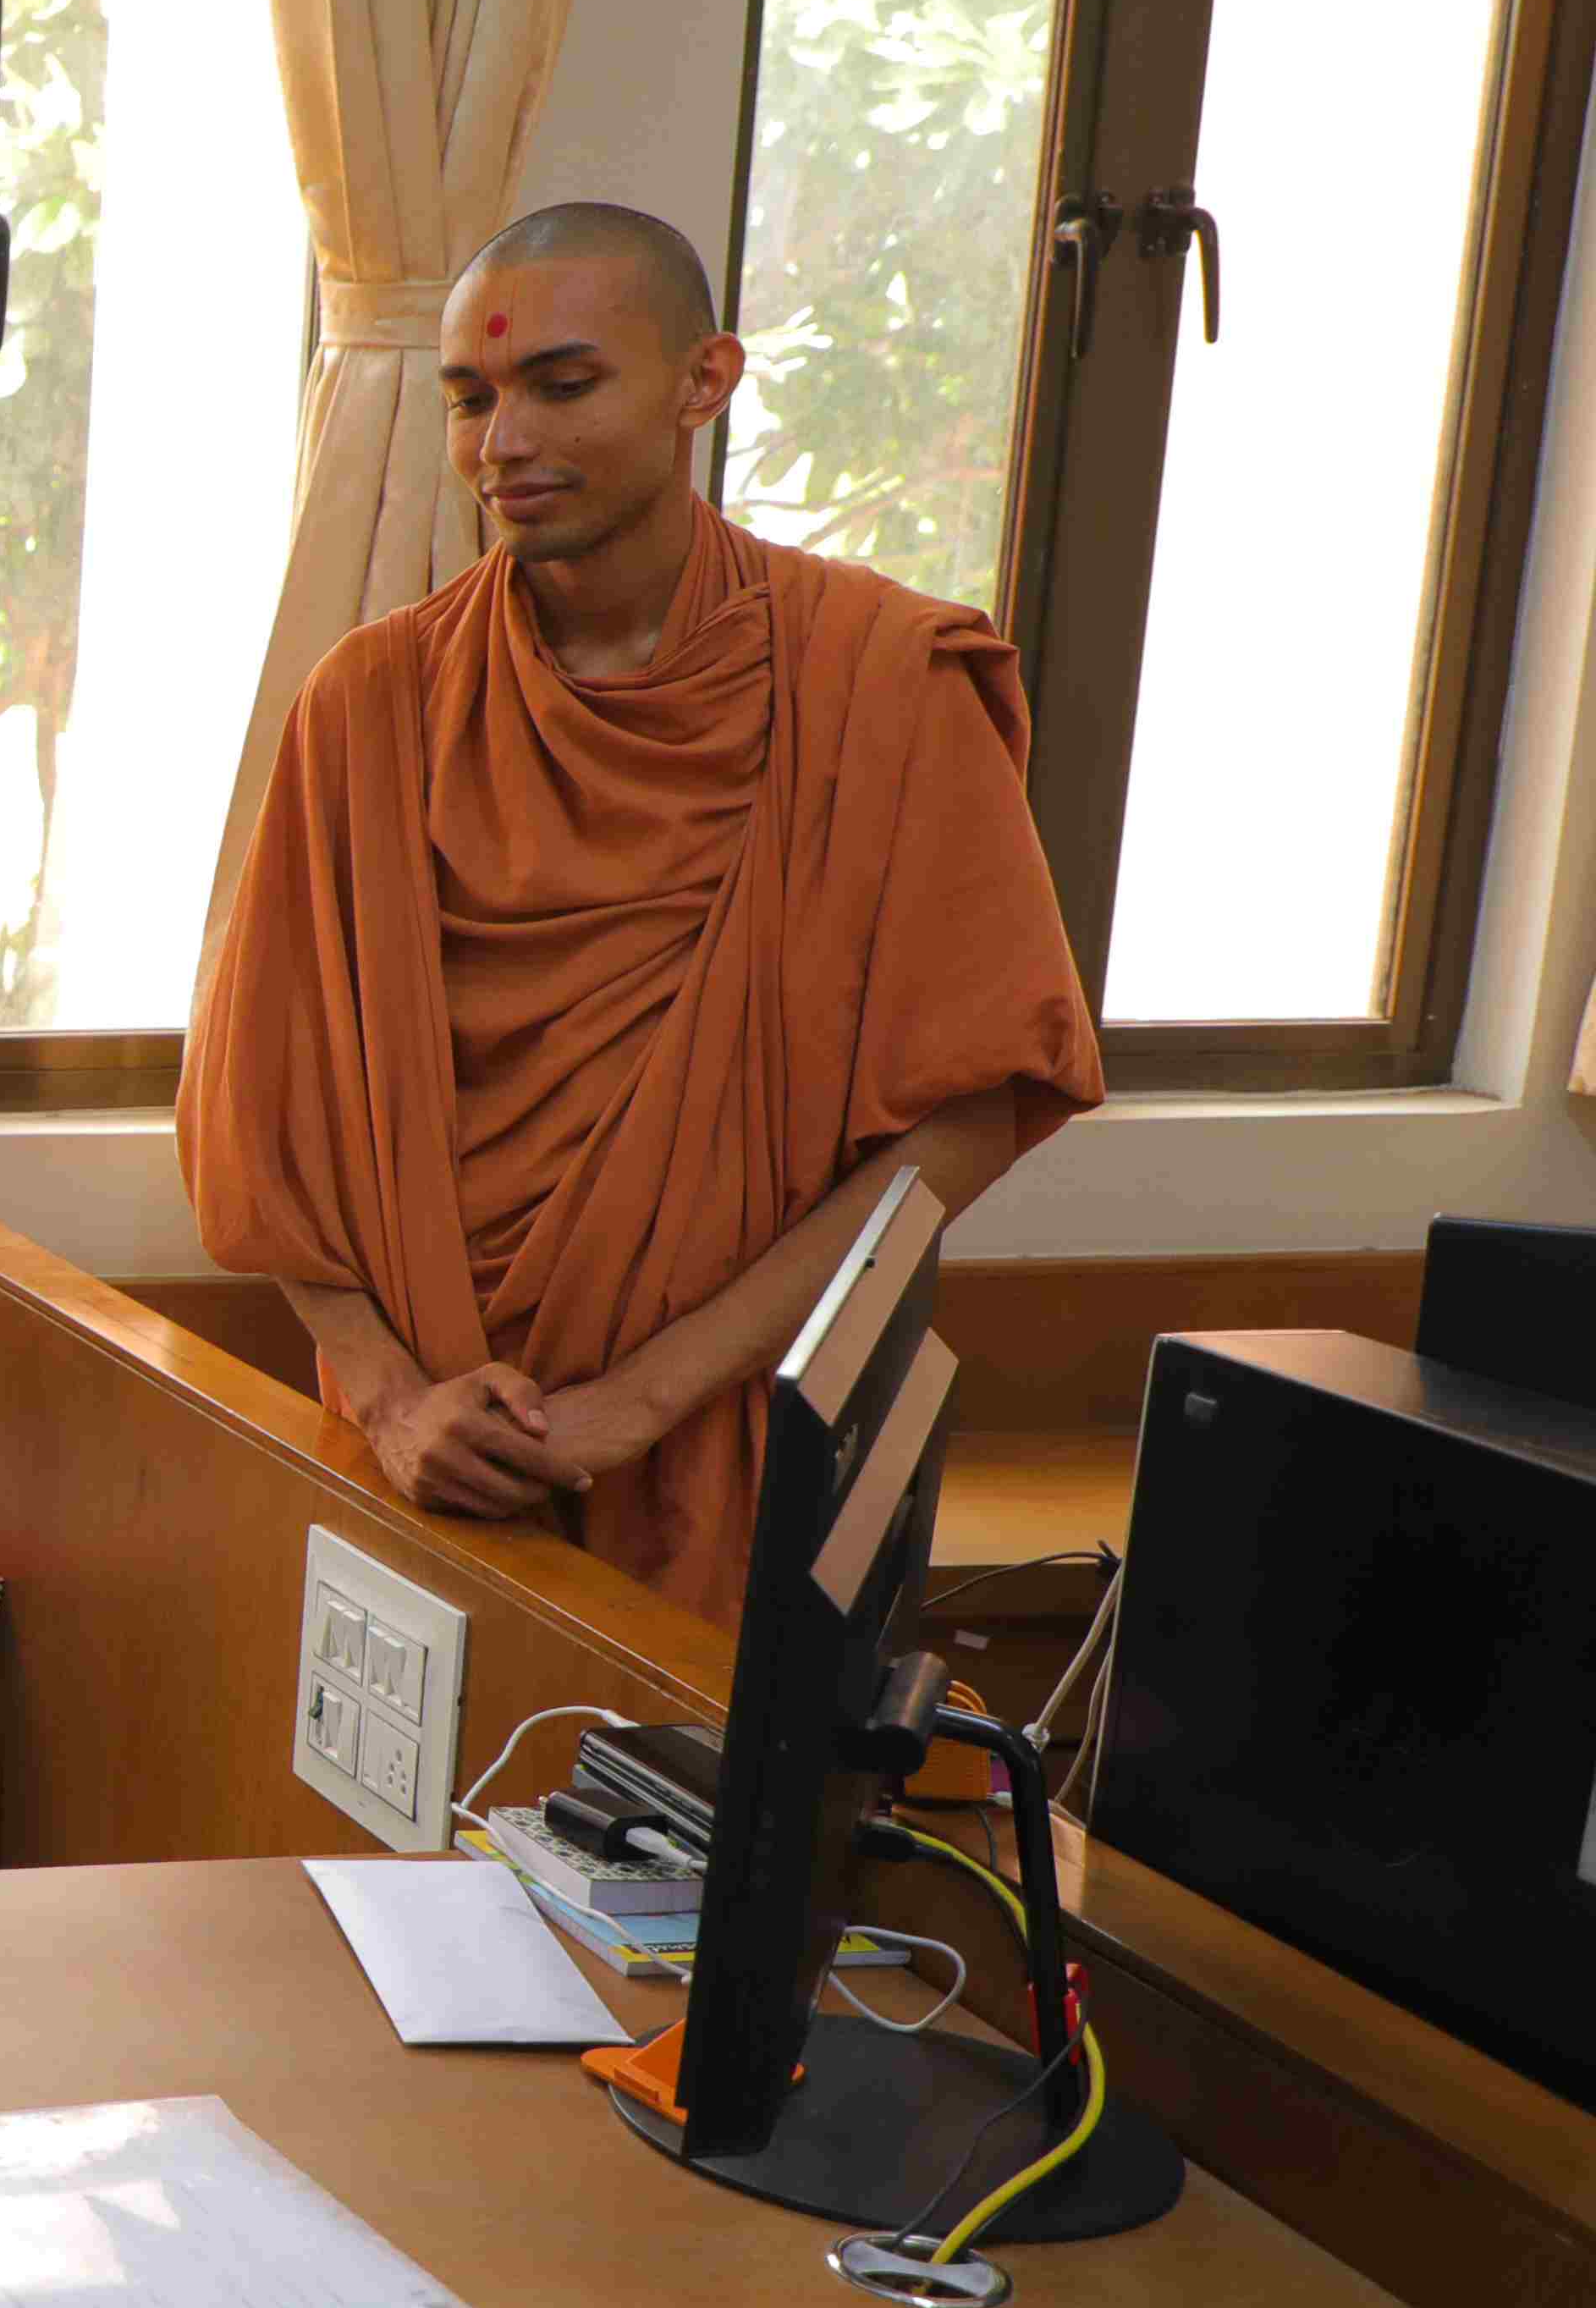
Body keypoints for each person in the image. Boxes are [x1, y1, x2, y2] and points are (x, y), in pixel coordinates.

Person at [179, 201, 1104, 1617]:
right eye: (471, 398)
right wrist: (394, 1404)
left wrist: (635, 1402)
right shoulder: (370, 709)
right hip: (422, 1474)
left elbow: (970, 1111)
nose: (505, 444)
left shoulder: (878, 685)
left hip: (741, 1446)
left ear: (704, 383)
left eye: (563, 384)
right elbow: (259, 1135)